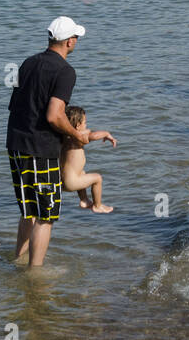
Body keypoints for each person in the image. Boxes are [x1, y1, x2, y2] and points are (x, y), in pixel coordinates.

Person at [7, 16, 90, 267]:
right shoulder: (65, 71)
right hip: (40, 149)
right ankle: (35, 274)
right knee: (46, 216)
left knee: (28, 211)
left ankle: (17, 260)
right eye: (75, 38)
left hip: (15, 143)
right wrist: (77, 136)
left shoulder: (28, 63)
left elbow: (14, 106)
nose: (76, 41)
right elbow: (54, 115)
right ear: (69, 42)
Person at [60, 105, 116, 213]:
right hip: (71, 183)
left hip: (62, 180)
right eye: (85, 123)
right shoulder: (78, 138)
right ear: (77, 125)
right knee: (97, 178)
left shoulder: (65, 136)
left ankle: (84, 200)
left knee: (82, 173)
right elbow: (92, 136)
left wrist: (86, 131)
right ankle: (97, 205)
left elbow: (87, 133)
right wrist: (107, 133)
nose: (87, 125)